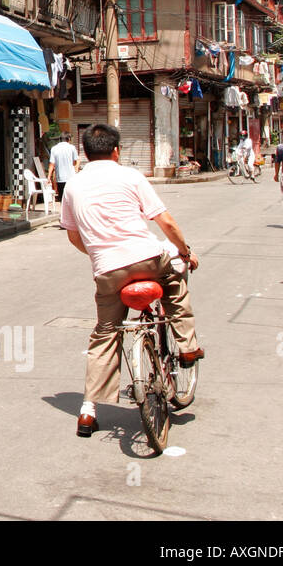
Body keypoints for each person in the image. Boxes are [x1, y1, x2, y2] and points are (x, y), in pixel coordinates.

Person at [60, 123, 203, 438]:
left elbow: (73, 236)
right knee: (176, 278)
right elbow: (164, 221)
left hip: (107, 271)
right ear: (115, 151)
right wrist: (185, 251)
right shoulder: (131, 176)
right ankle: (188, 346)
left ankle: (87, 411)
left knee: (105, 335)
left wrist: (101, 254)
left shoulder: (72, 185)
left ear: (84, 153)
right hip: (148, 261)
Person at [47, 132, 79, 202]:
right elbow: (75, 162)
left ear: (60, 139)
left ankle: (63, 212)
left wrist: (49, 177)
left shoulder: (54, 149)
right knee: (72, 199)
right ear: (69, 139)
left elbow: (52, 164)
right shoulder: (72, 148)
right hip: (71, 178)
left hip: (60, 178)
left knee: (62, 199)